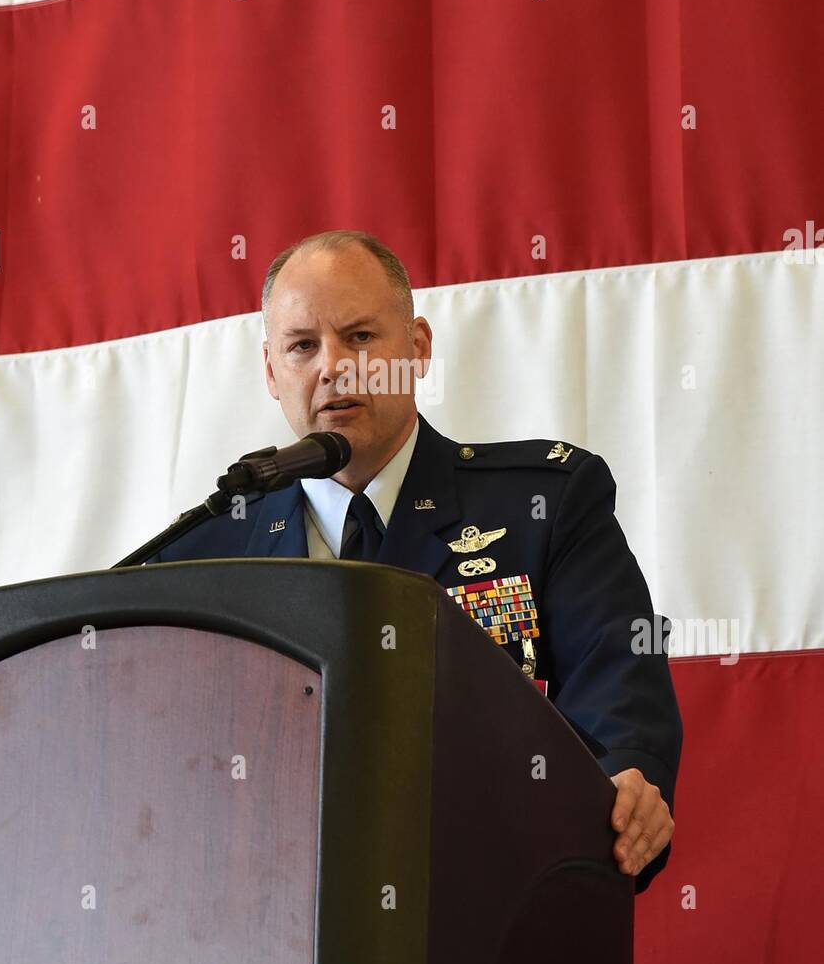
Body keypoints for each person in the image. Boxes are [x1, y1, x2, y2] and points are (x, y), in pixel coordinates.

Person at [151, 229, 681, 892]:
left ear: (418, 348)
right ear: (270, 370)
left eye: (361, 337)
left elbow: (620, 691)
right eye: (302, 346)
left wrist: (626, 780)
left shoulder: (543, 504)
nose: (333, 366)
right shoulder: (203, 553)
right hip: (271, 932)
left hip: (497, 907)